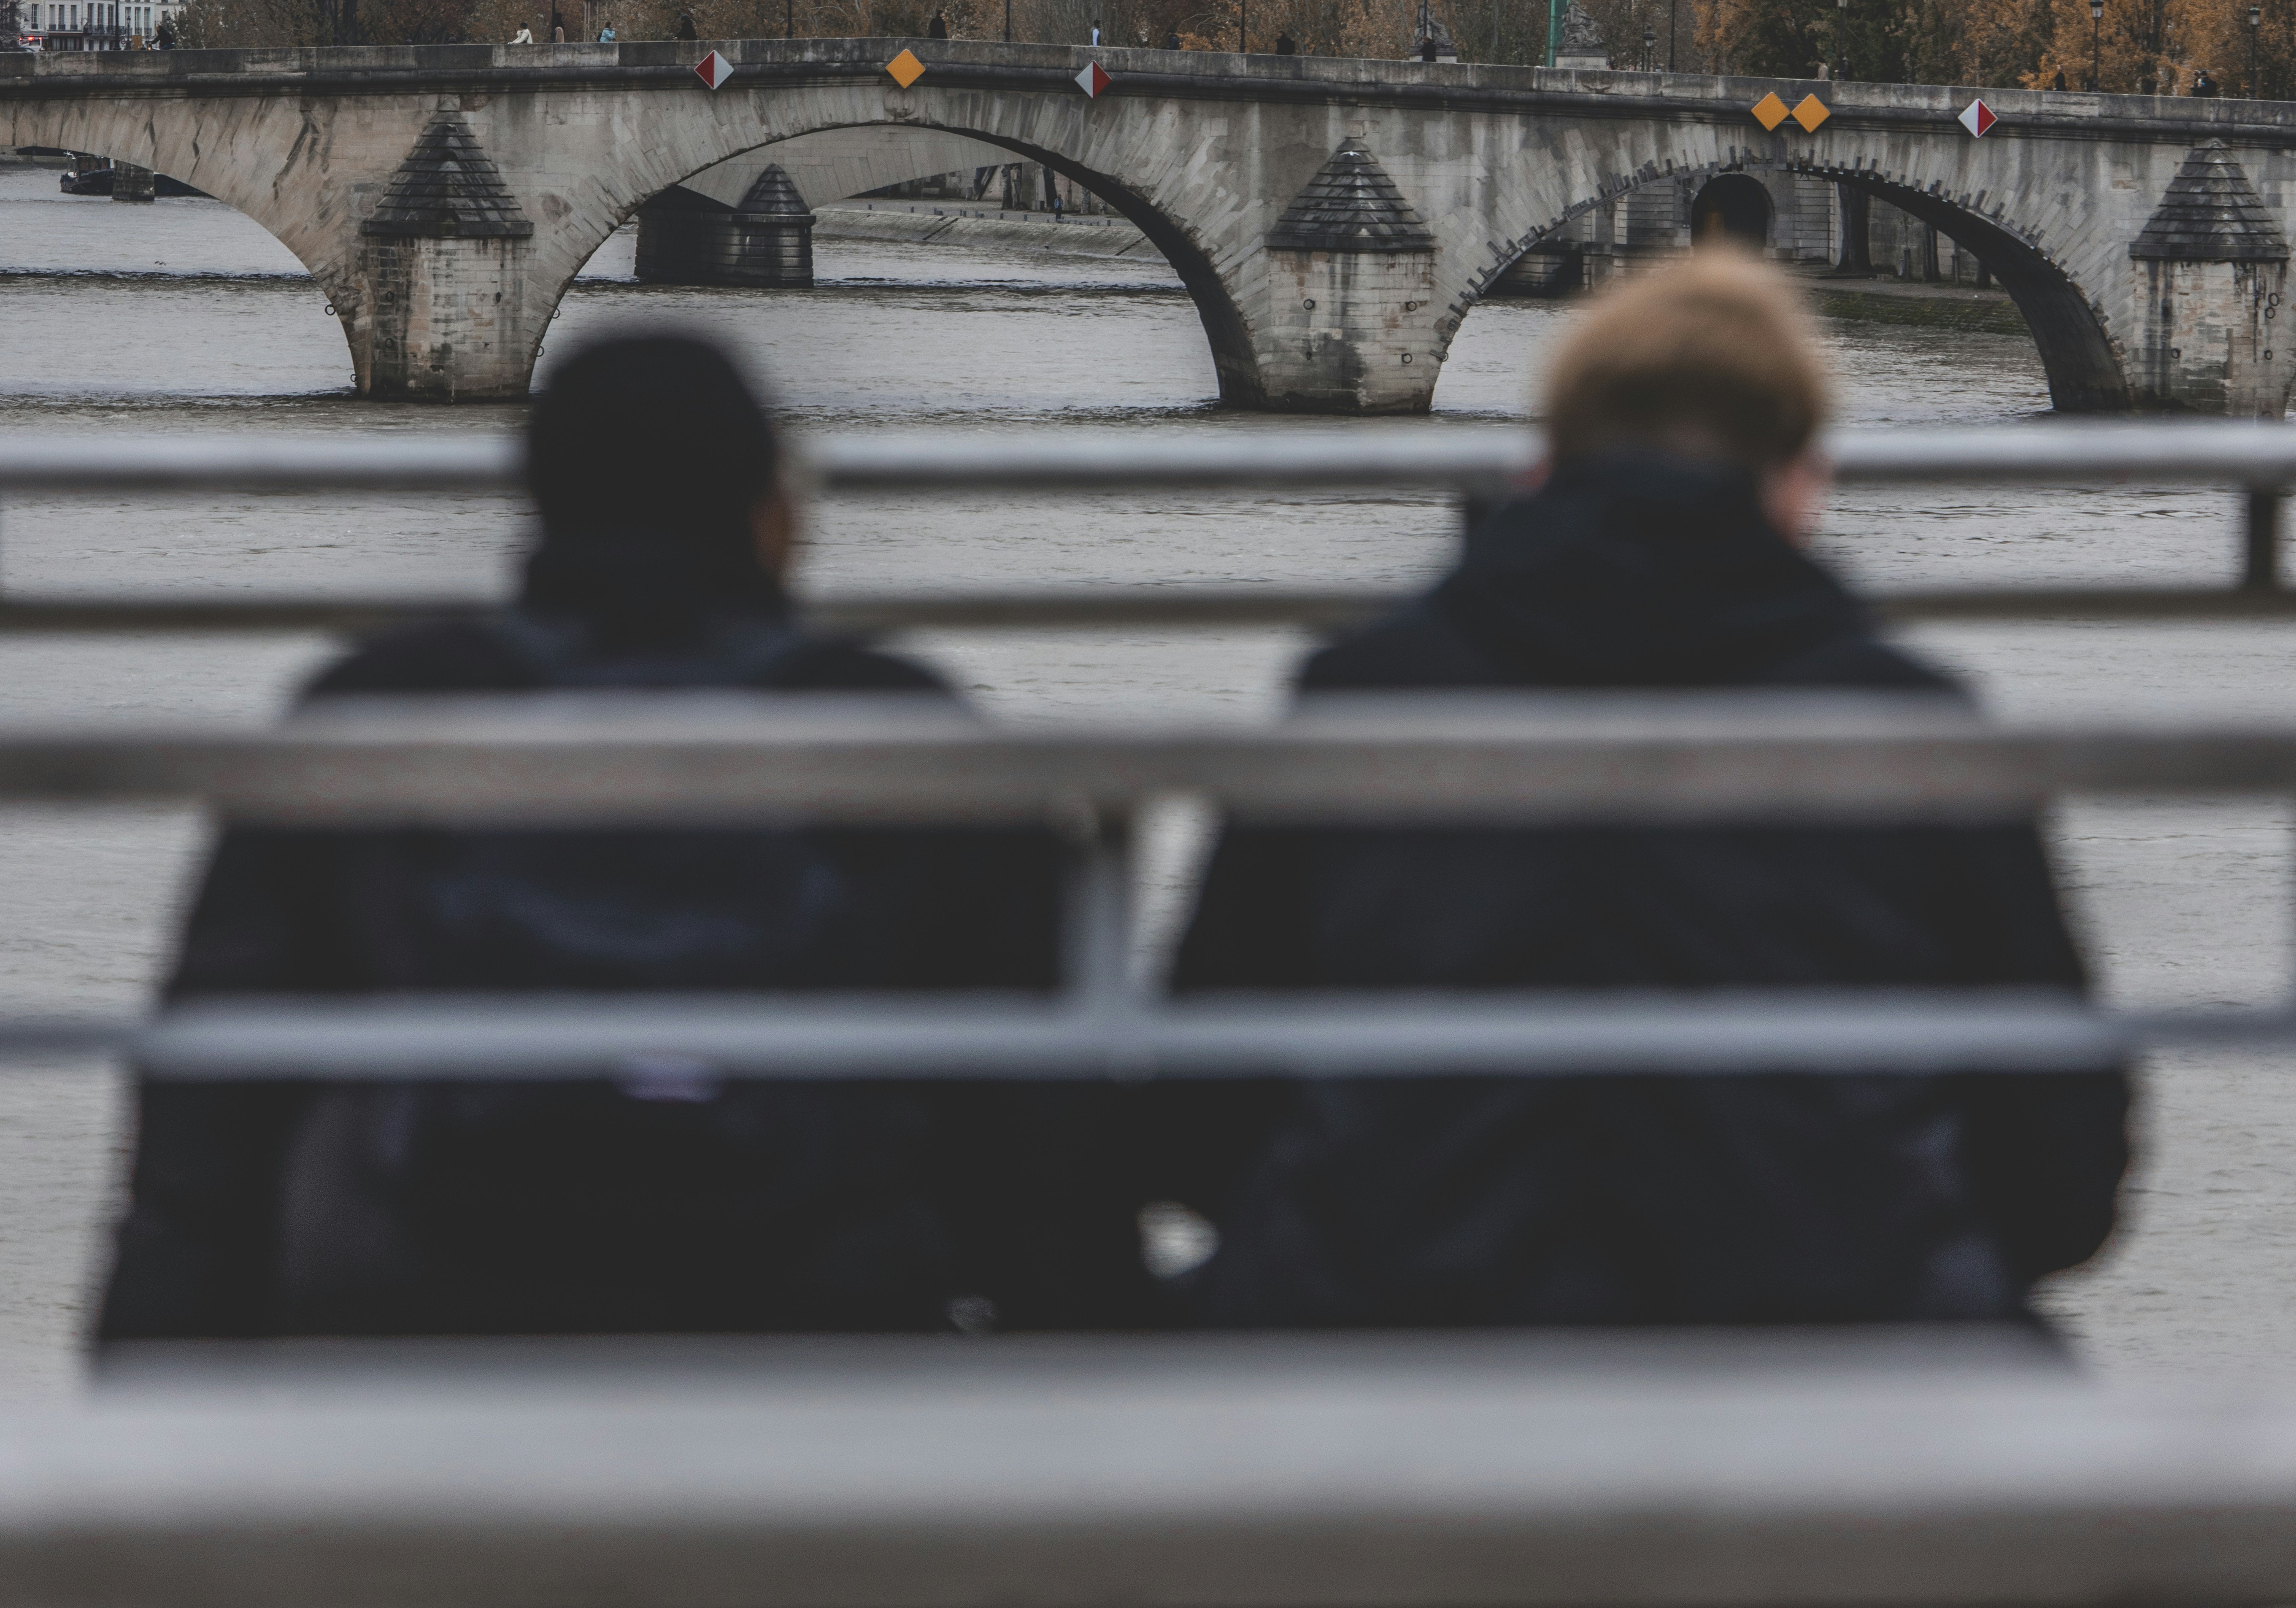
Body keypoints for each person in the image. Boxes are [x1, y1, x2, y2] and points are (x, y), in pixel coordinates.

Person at [96, 334, 1150, 1343]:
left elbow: (207, 1136)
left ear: (539, 509)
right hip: (810, 1313)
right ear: (771, 518)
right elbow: (1045, 1145)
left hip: (426, 1308)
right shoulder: (896, 718)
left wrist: (147, 1435)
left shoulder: (382, 705)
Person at [1162, 248, 2129, 1330]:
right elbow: (2064, 1186)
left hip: (1397, 1366)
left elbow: (1197, 1132)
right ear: (1804, 484)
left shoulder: (1358, 696)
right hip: (1825, 1377)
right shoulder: (1915, 727)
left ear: (1542, 466)